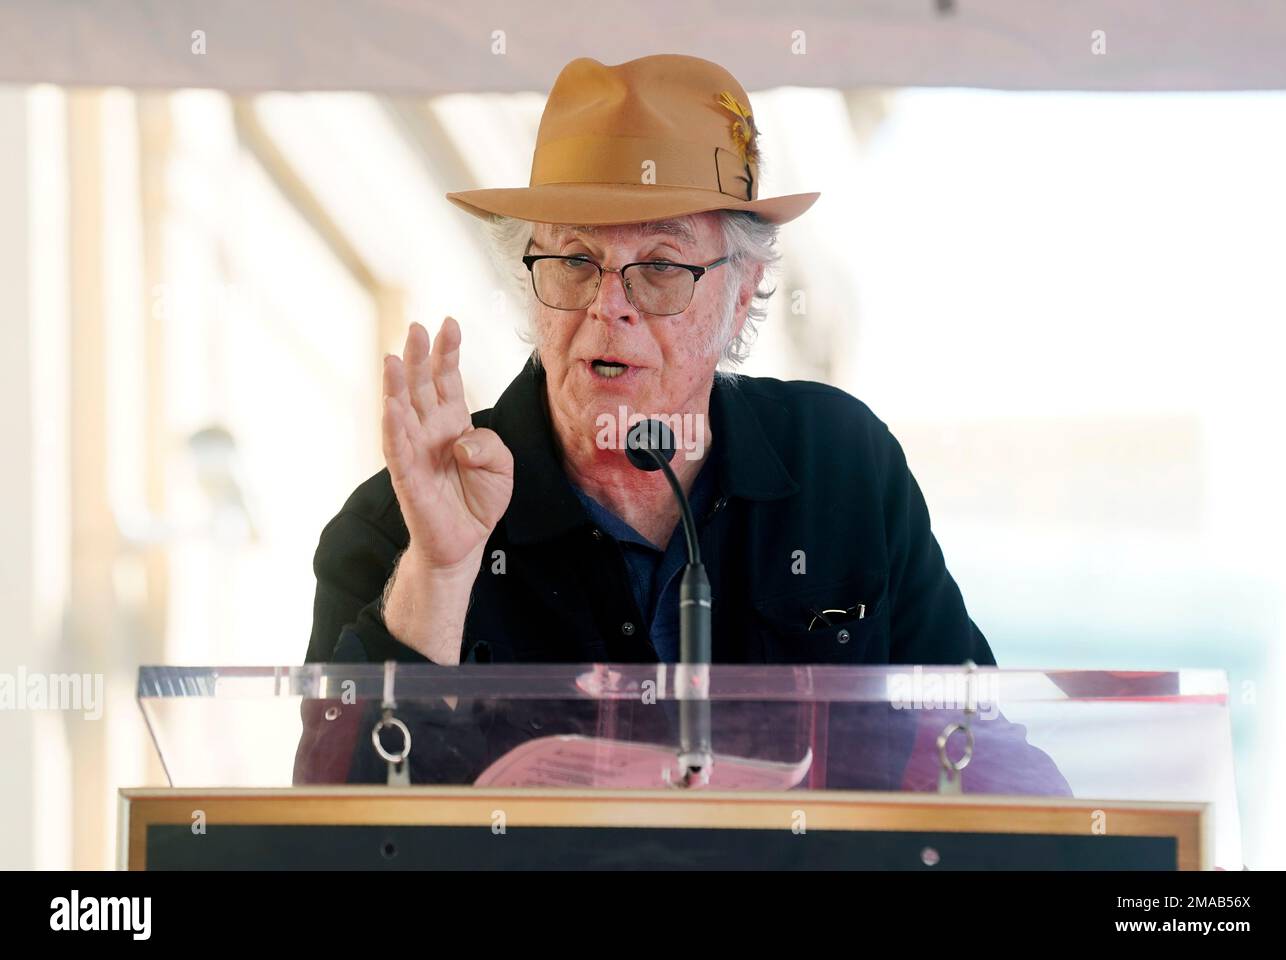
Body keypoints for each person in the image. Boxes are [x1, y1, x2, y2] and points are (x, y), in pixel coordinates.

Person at [305, 53, 993, 670]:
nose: (610, 305)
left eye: (661, 266)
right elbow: (338, 799)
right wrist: (440, 572)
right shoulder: (401, 521)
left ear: (742, 290)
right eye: (576, 259)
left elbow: (975, 745)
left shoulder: (843, 465)